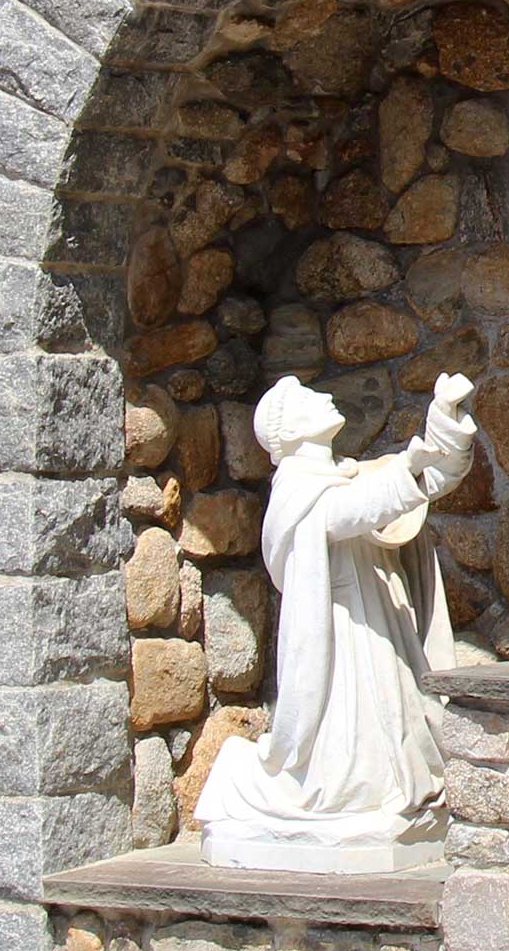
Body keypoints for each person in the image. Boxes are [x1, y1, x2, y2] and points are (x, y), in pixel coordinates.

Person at [194, 371, 478, 872]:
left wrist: (444, 423)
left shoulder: (349, 473)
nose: (325, 395)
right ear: (289, 431)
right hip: (341, 635)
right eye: (309, 399)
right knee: (352, 750)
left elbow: (431, 482)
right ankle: (353, 798)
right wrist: (407, 469)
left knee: (397, 728)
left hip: (379, 622)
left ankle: (392, 795)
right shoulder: (296, 491)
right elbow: (350, 511)